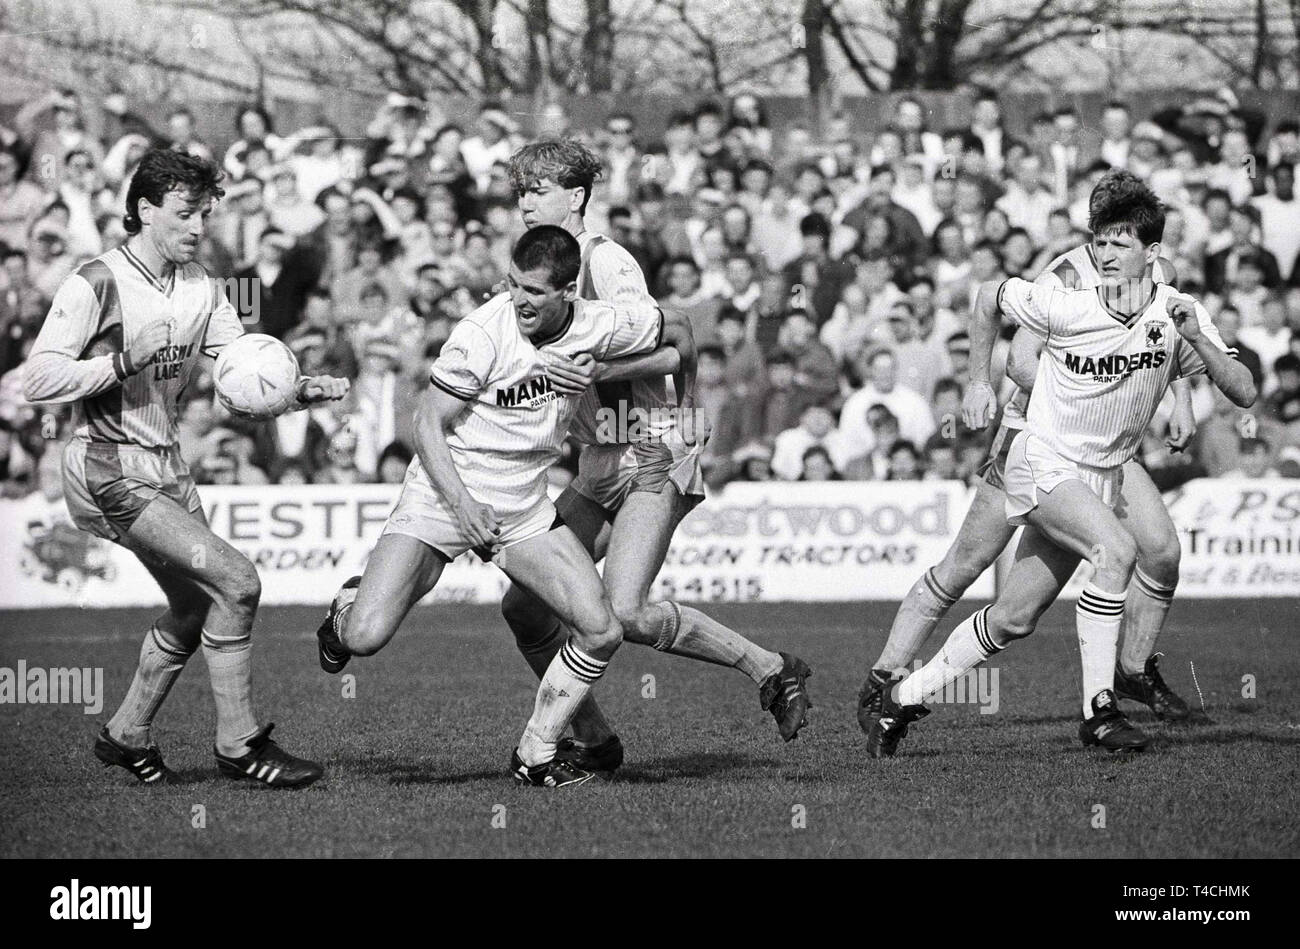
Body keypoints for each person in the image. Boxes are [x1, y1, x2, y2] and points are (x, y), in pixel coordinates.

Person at [869, 179, 1255, 757]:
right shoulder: (1066, 301)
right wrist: (979, 382)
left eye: (1118, 246)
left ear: (1153, 255)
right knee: (1116, 551)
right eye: (1099, 244)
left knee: (1013, 619)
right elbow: (985, 297)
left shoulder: (1180, 312)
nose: (1104, 257)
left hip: (1101, 473)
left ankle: (898, 703)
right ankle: (1098, 711)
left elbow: (1245, 390)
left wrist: (1193, 346)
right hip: (1041, 457)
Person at [20, 148, 349, 787]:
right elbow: (38, 376)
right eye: (185, 213)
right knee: (238, 581)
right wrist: (120, 362)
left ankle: (126, 733)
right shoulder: (96, 280)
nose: (199, 226)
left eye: (204, 213)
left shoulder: (201, 284)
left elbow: (239, 379)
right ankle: (240, 744)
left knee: (195, 608)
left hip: (166, 464)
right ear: (145, 210)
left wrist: (297, 390)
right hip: (107, 463)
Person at [498, 140, 813, 774]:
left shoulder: (609, 263)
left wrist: (685, 408)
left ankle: (770, 668)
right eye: (522, 190)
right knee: (525, 603)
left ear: (576, 197)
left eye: (539, 188)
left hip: (647, 452)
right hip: (596, 462)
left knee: (625, 610)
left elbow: (675, 345)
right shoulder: (536, 267)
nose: (526, 200)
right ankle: (592, 738)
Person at [313, 225, 668, 787]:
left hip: (523, 508)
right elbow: (427, 422)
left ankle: (536, 751)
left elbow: (679, 340)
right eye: (515, 285)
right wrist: (464, 507)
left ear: (569, 292)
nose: (521, 300)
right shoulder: (481, 332)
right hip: (443, 494)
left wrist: (606, 371)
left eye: (536, 292)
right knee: (364, 638)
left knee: (601, 629)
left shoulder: (603, 321)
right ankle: (348, 606)